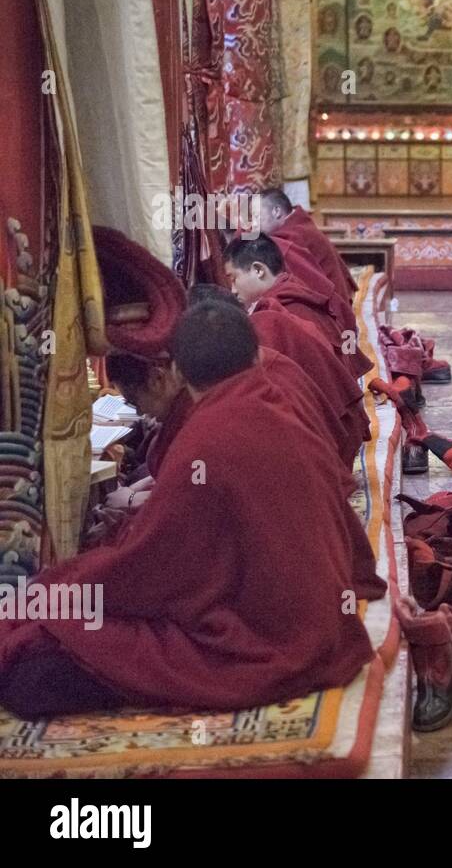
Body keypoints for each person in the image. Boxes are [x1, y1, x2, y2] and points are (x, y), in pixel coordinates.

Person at [0, 302, 384, 720]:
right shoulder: (277, 406)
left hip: (271, 646)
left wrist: (58, 585)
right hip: (322, 622)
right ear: (257, 355)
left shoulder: (205, 438)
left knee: (36, 666)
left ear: (178, 372)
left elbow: (150, 572)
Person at [189, 284, 370, 468]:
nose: (235, 288)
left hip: (331, 452)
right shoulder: (266, 320)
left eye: (234, 277)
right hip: (339, 435)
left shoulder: (261, 343)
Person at [224, 235, 372, 379]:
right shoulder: (294, 290)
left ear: (258, 270)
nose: (233, 290)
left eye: (234, 279)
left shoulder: (278, 313)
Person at [255, 188, 357, 305]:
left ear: (276, 211)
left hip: (332, 310)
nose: (255, 225)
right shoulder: (299, 226)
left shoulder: (293, 237)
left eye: (257, 216)